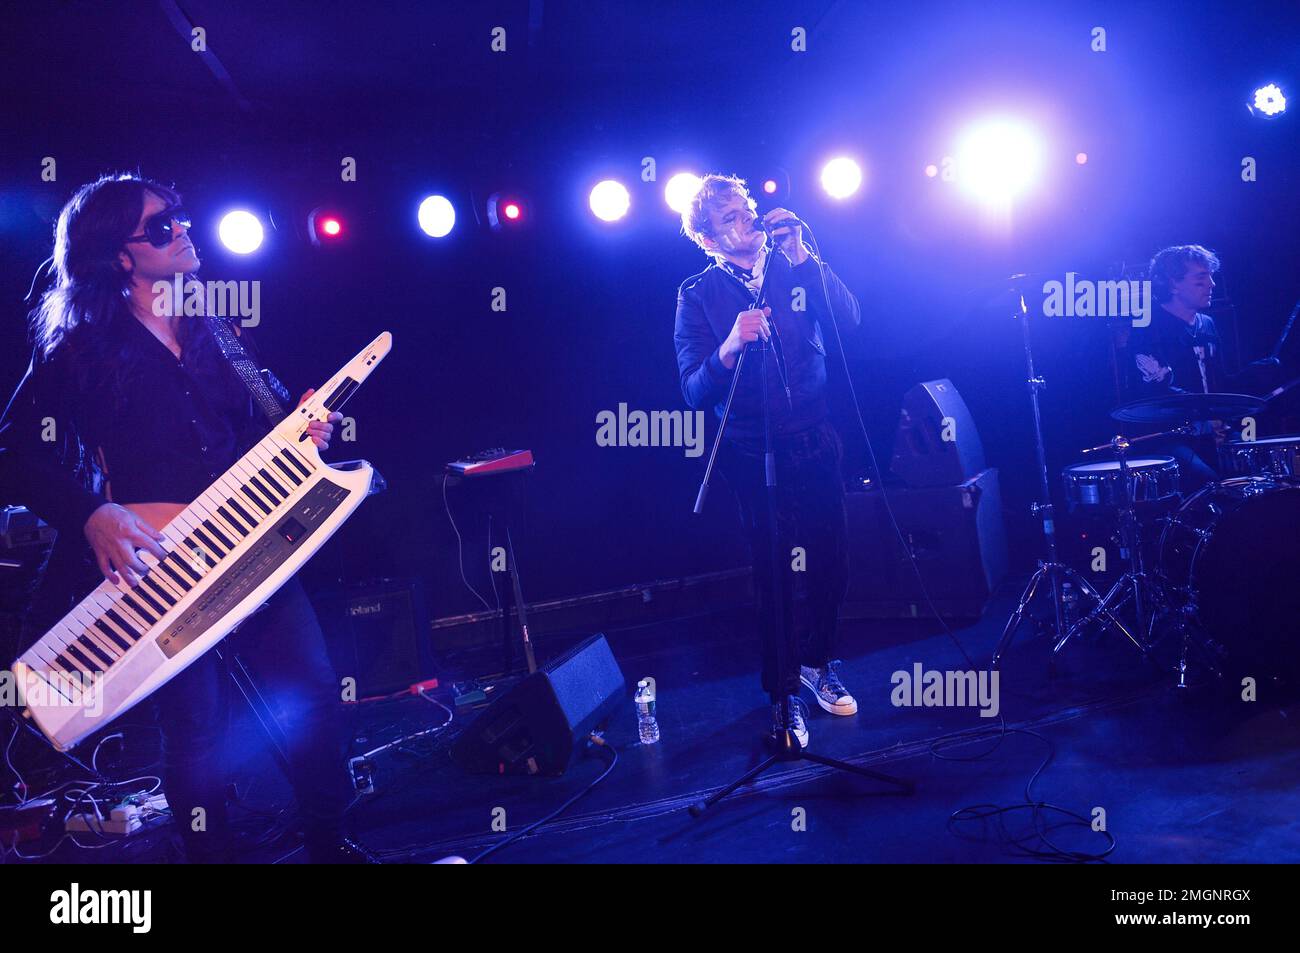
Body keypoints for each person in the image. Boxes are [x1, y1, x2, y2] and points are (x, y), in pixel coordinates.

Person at [0, 173, 356, 862]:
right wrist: (91, 513)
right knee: (196, 726)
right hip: (163, 564)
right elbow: (15, 451)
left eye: (181, 216)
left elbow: (268, 422)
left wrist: (305, 432)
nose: (183, 229)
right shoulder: (78, 347)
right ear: (119, 254)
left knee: (312, 688)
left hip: (250, 543)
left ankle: (330, 843)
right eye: (161, 225)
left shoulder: (211, 325)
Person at [674, 173, 861, 748]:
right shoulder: (698, 294)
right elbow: (692, 389)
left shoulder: (792, 265)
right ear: (707, 238)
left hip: (815, 435)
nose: (746, 222)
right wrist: (729, 346)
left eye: (745, 209)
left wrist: (804, 255)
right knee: (774, 573)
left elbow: (850, 320)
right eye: (729, 218)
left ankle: (818, 662)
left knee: (831, 556)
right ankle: (782, 696)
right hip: (754, 453)